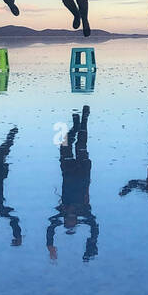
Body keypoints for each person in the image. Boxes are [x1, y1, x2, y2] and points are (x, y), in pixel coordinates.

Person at [47, 106, 98, 262]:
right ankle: (84, 119)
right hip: (83, 172)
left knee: (65, 144)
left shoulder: (61, 212)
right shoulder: (84, 212)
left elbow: (51, 228)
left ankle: (75, 127)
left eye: (66, 222)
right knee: (81, 145)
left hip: (68, 172)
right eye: (72, 222)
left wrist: (50, 245)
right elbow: (94, 228)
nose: (69, 220)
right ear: (76, 221)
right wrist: (91, 246)